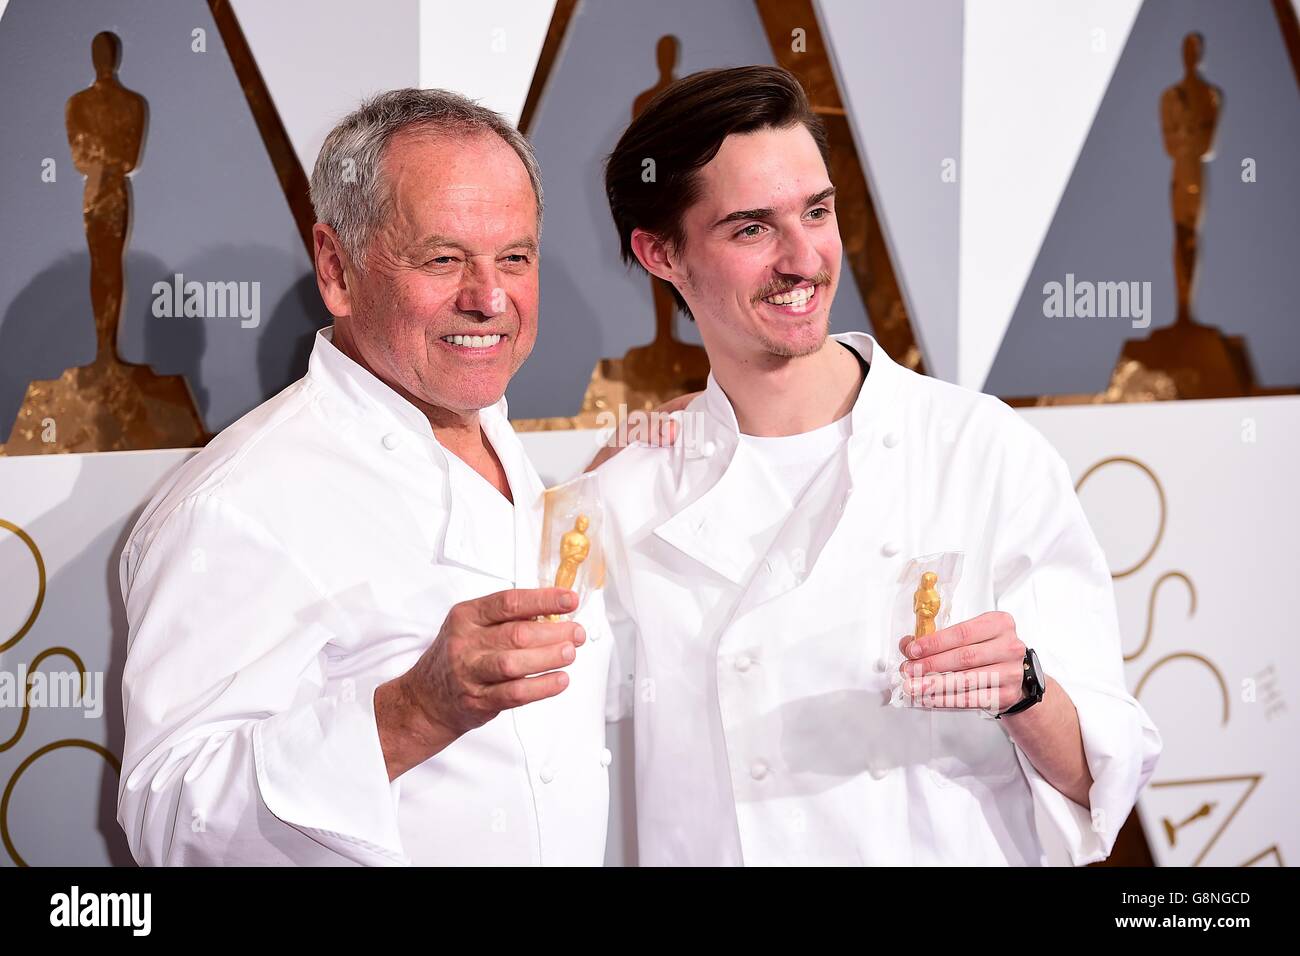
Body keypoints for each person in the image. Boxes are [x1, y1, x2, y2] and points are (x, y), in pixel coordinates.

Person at [594, 65, 1163, 865]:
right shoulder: (623, 500)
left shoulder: (980, 451)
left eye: (817, 212)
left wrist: (1020, 688)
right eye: (752, 228)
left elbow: (1099, 775)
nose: (804, 260)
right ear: (660, 253)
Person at [117, 89, 618, 865]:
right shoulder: (235, 506)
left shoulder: (510, 452)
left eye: (514, 257)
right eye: (443, 258)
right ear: (337, 268)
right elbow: (168, 818)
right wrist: (412, 713)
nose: (489, 299)